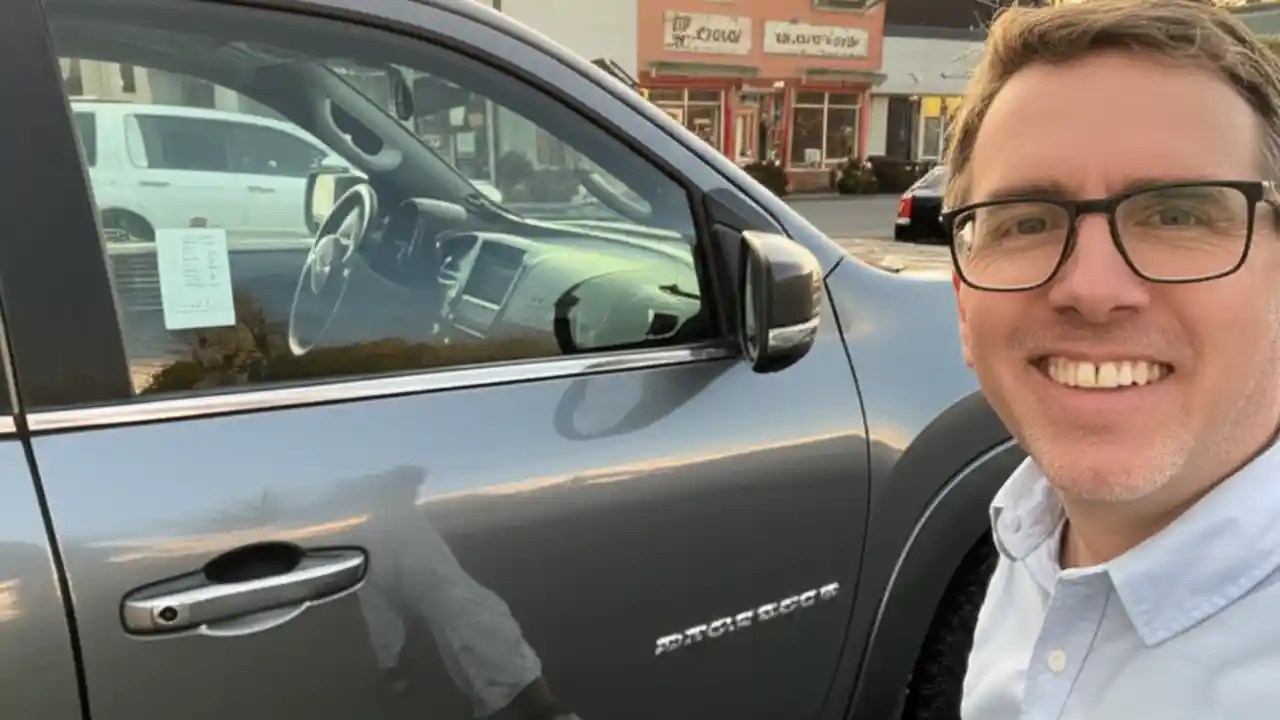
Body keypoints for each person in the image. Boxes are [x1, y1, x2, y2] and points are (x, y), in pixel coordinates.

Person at [942, 0, 1280, 717]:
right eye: (1026, 221)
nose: (1091, 290)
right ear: (964, 304)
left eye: (1178, 214)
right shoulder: (1032, 532)